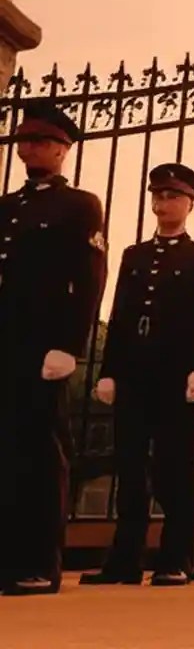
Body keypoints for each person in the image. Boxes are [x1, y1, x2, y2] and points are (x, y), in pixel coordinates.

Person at [82, 163, 194, 587]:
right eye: (159, 196)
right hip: (135, 372)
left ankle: (176, 558)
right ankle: (124, 560)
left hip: (176, 374)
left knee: (176, 466)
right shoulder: (135, 255)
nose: (164, 204)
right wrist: (109, 370)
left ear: (190, 204)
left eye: (173, 197)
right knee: (129, 466)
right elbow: (121, 314)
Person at [0, 99, 107, 596]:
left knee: (41, 452)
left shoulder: (79, 205)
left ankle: (40, 562)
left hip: (41, 344)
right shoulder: (7, 207)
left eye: (40, 141)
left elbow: (89, 279)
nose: (28, 149)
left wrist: (69, 344)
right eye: (24, 141)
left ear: (63, 149)